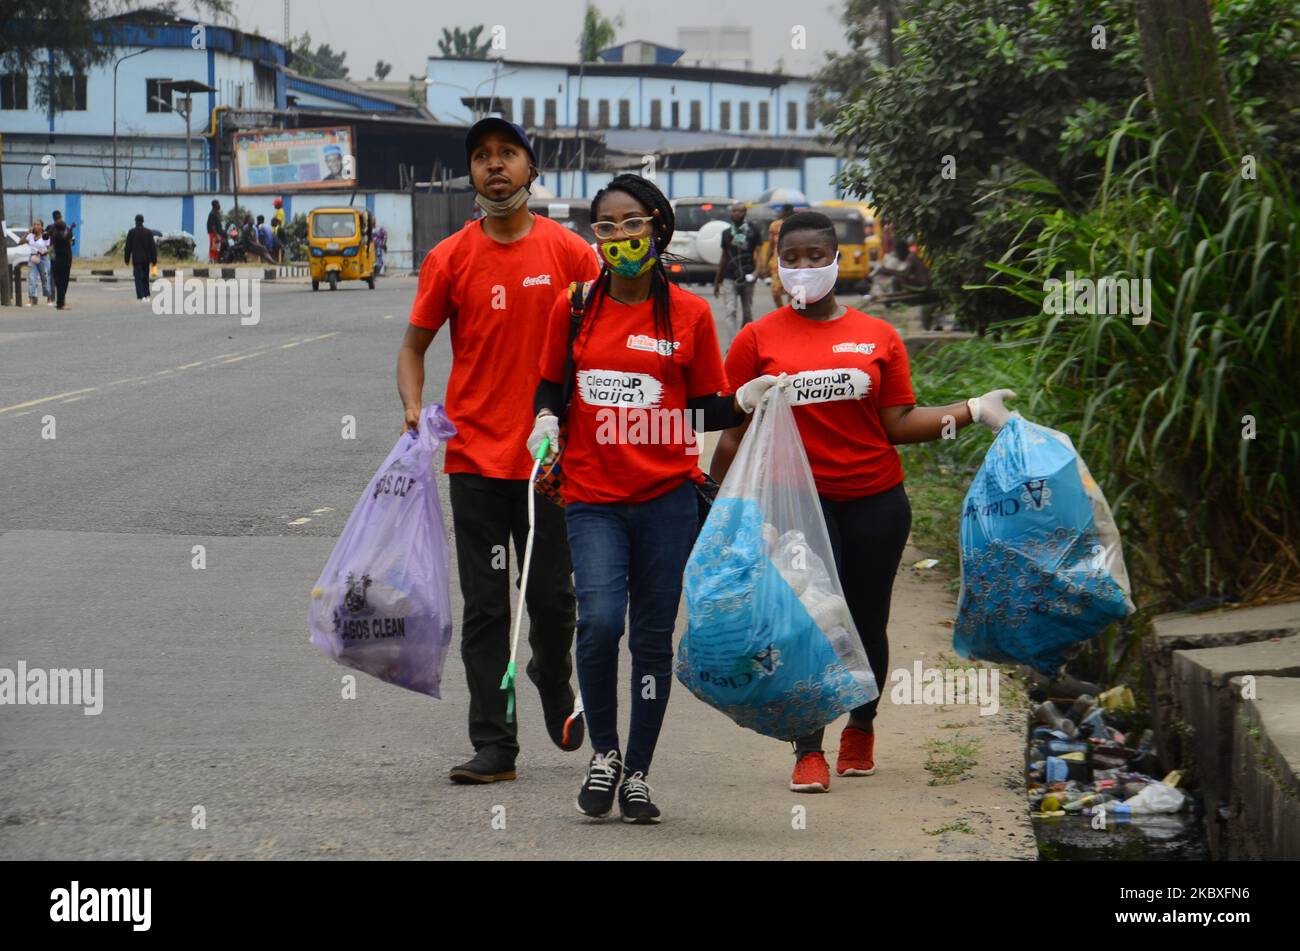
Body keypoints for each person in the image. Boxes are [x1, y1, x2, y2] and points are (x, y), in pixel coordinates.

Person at [711, 211, 1014, 794]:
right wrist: (713, 501)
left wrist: (973, 410)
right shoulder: (757, 339)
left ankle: (863, 726)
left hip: (875, 500)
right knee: (808, 625)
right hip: (797, 503)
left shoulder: (878, 336)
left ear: (838, 258)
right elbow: (733, 431)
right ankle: (808, 748)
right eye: (791, 257)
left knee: (865, 620)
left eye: (815, 255)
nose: (804, 267)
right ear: (775, 264)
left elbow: (898, 422)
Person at [529, 174, 778, 823]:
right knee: (601, 618)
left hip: (666, 499)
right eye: (606, 226)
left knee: (649, 641)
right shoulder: (576, 305)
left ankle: (637, 771)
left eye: (631, 222)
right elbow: (550, 386)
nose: (618, 237)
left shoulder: (689, 315)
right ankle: (603, 753)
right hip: (591, 497)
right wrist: (546, 421)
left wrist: (745, 399)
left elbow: (700, 409)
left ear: (657, 228)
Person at [397, 117, 600, 785]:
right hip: (475, 461)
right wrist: (411, 407)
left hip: (549, 463)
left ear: (531, 168)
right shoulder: (451, 256)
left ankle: (549, 669)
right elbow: (413, 347)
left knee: (551, 597)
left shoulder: (571, 254)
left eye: (507, 153)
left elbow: (606, 337)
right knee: (486, 607)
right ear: (471, 173)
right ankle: (494, 742)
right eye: (481, 156)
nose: (494, 166)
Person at [712, 201, 762, 332]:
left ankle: (743, 340)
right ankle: (732, 344)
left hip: (748, 276)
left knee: (747, 313)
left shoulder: (753, 231)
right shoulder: (727, 233)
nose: (736, 213)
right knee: (731, 310)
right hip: (729, 276)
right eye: (734, 211)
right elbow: (724, 257)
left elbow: (759, 254)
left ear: (745, 213)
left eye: (739, 211)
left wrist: (756, 272)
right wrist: (717, 281)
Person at [765, 203, 795, 308]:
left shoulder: (796, 225)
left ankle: (793, 315)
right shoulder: (775, 226)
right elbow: (770, 246)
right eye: (784, 213)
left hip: (794, 264)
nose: (786, 215)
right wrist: (765, 264)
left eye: (788, 213)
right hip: (777, 264)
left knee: (794, 293)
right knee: (775, 292)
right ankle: (782, 312)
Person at [124, 214, 158, 302]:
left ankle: (141, 296)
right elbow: (153, 248)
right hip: (146, 260)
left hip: (137, 260)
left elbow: (128, 247)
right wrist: (154, 260)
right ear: (143, 221)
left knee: (138, 279)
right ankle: (146, 295)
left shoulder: (131, 232)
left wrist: (126, 259)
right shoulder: (148, 232)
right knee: (145, 278)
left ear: (135, 221)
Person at [47, 210, 75, 310]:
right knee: (61, 280)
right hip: (60, 258)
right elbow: (67, 238)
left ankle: (60, 300)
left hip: (58, 257)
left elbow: (71, 239)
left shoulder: (55, 229)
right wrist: (71, 228)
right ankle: (59, 301)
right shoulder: (56, 231)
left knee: (59, 280)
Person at [25, 219, 53, 307]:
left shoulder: (45, 236)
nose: (36, 226)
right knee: (32, 278)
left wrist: (45, 252)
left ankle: (49, 299)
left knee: (45, 278)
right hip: (33, 258)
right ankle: (31, 299)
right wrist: (27, 233)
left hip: (43, 258)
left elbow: (50, 248)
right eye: (34, 224)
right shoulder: (30, 235)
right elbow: (20, 242)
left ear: (41, 226)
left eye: (38, 224)